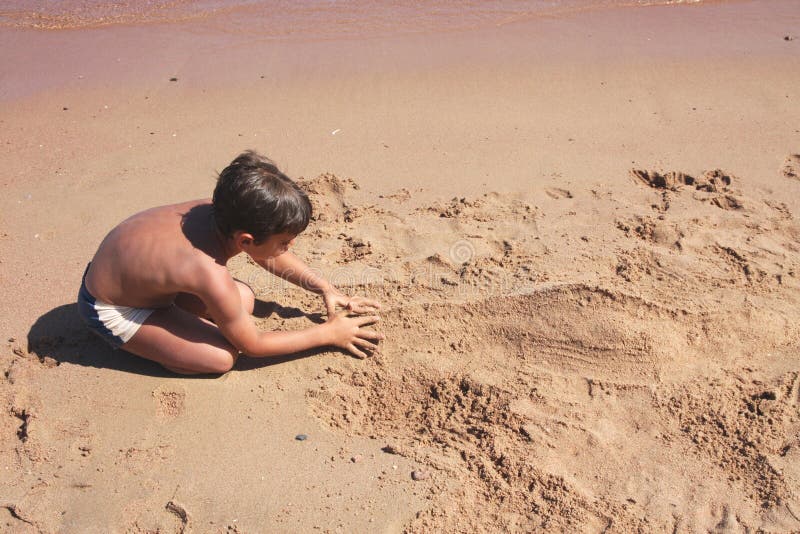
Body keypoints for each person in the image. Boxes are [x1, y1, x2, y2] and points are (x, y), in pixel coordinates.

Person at [77, 150, 383, 374]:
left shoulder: (222, 210)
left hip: (129, 277)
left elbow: (268, 253)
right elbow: (254, 345)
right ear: (245, 241)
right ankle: (154, 347)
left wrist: (324, 288)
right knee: (221, 357)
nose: (288, 248)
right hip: (109, 307)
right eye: (285, 242)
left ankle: (174, 319)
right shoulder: (206, 272)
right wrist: (327, 333)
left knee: (244, 298)